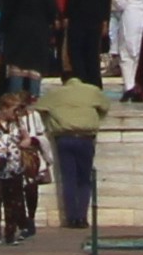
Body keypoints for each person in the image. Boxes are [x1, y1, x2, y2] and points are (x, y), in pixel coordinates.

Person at [39, 64, 109, 231]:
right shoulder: (92, 90)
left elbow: (38, 107)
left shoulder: (55, 93)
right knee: (84, 180)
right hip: (86, 137)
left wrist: (51, 121)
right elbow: (105, 107)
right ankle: (82, 218)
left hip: (64, 138)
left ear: (63, 80)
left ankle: (71, 218)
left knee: (68, 179)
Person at [0, 80, 44, 243]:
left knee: (13, 201)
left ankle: (10, 233)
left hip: (14, 168)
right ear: (4, 108)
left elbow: (27, 139)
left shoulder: (18, 125)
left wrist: (25, 143)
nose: (17, 114)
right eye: (14, 110)